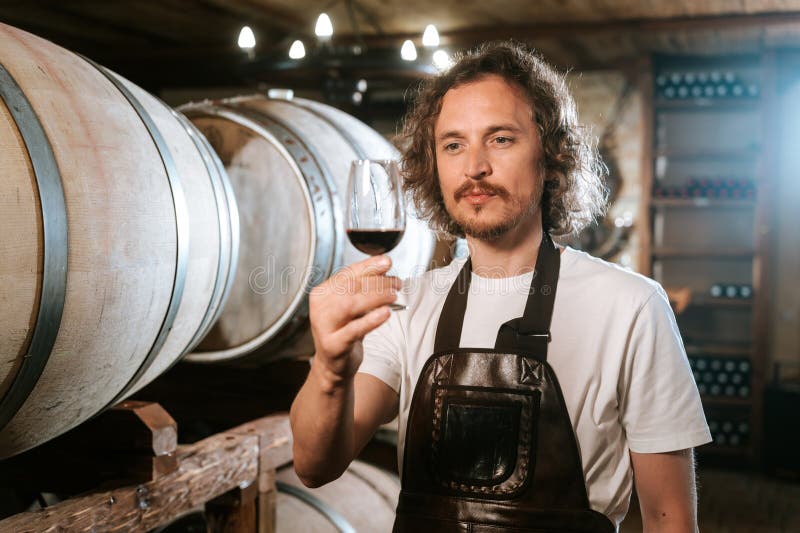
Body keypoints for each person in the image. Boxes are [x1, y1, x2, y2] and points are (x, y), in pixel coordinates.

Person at [290, 41, 711, 532]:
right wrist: (331, 368)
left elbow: (670, 519)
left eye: (501, 139)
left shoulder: (632, 306)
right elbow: (315, 466)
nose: (474, 167)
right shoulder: (407, 303)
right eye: (453, 145)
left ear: (551, 157)